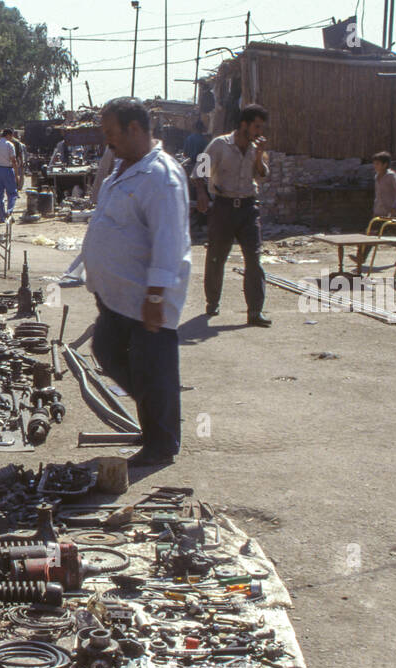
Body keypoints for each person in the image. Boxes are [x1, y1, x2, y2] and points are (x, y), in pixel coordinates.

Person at [84, 97, 192, 469]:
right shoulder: (124, 166)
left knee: (153, 367)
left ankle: (161, 442)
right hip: (119, 295)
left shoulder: (161, 176)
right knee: (107, 349)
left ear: (134, 129)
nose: (106, 140)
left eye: (111, 132)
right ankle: (156, 410)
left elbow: (170, 240)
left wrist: (157, 293)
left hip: (147, 296)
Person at [193, 103, 271, 326]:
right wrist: (201, 194)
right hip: (223, 208)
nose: (259, 132)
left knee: (254, 259)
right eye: (256, 127)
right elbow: (199, 172)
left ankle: (255, 311)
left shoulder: (257, 148)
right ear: (244, 124)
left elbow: (263, 175)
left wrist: (258, 156)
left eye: (261, 128)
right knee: (217, 257)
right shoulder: (220, 145)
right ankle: (212, 301)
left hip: (248, 208)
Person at [356, 151, 396, 268]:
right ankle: (361, 257)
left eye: (377, 164)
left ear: (385, 164)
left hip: (392, 213)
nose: (375, 166)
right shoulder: (377, 176)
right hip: (379, 211)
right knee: (370, 234)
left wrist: (395, 207)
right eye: (374, 164)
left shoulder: (391, 176)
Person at [0, 128, 22, 223]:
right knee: (12, 193)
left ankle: (1, 218)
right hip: (7, 170)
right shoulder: (10, 145)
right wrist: (16, 174)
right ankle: (9, 211)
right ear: (9, 135)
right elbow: (14, 160)